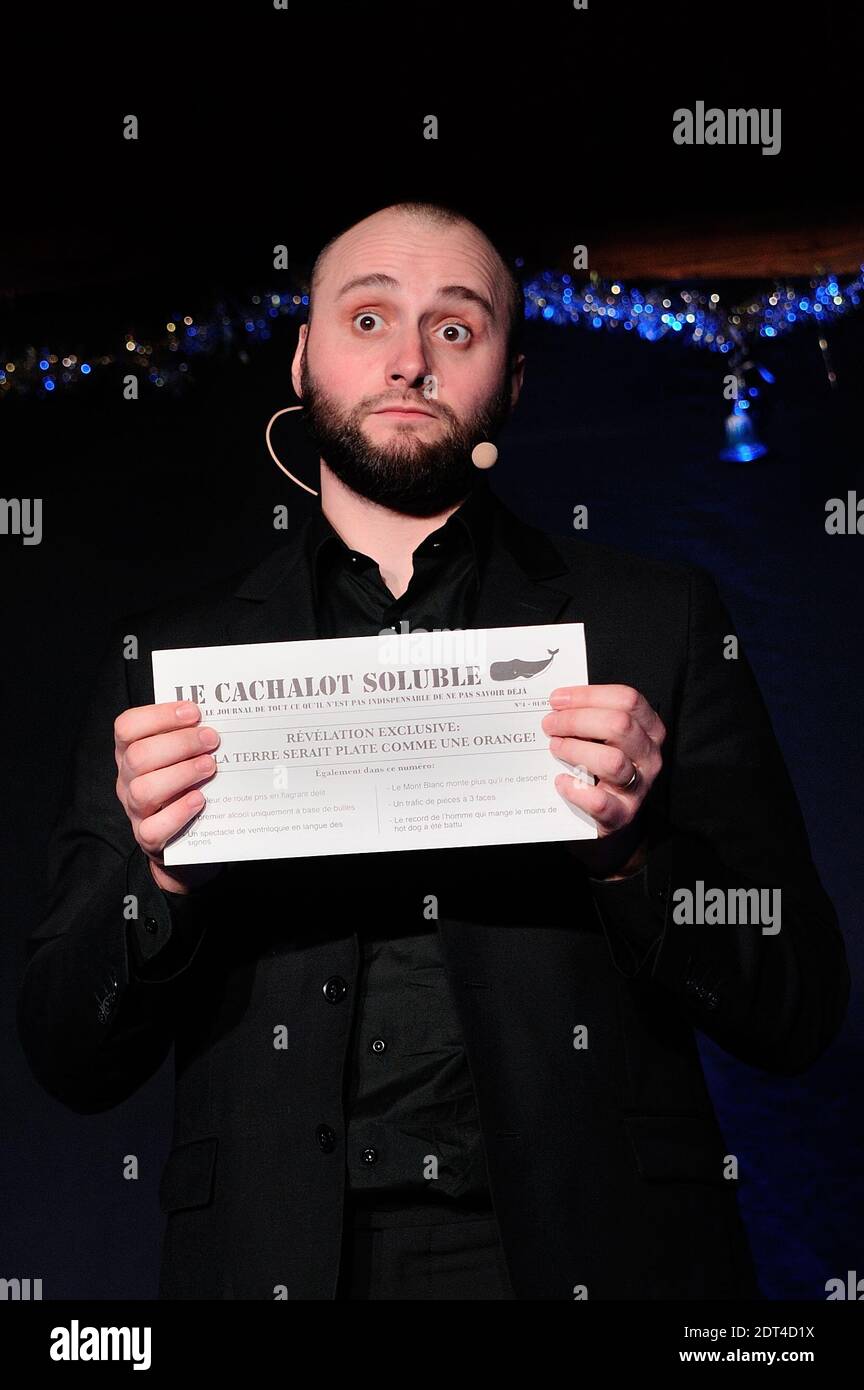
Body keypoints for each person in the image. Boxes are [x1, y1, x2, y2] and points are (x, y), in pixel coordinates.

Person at [18, 201, 850, 1300]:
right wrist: (160, 879)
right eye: (369, 319)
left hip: (602, 1257)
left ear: (511, 380)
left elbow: (798, 1004)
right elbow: (67, 1047)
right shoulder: (173, 663)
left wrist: (639, 862)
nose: (409, 358)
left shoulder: (658, 621)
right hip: (270, 1265)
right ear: (305, 354)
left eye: (456, 329)